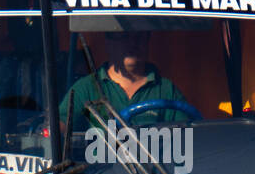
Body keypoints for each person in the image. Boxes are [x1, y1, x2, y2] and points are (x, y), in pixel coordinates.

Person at [59, 30, 191, 133]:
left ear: (147, 40)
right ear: (109, 41)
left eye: (139, 36)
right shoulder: (85, 88)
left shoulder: (167, 91)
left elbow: (190, 138)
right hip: (102, 168)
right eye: (124, 36)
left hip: (156, 168)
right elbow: (58, 129)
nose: (133, 43)